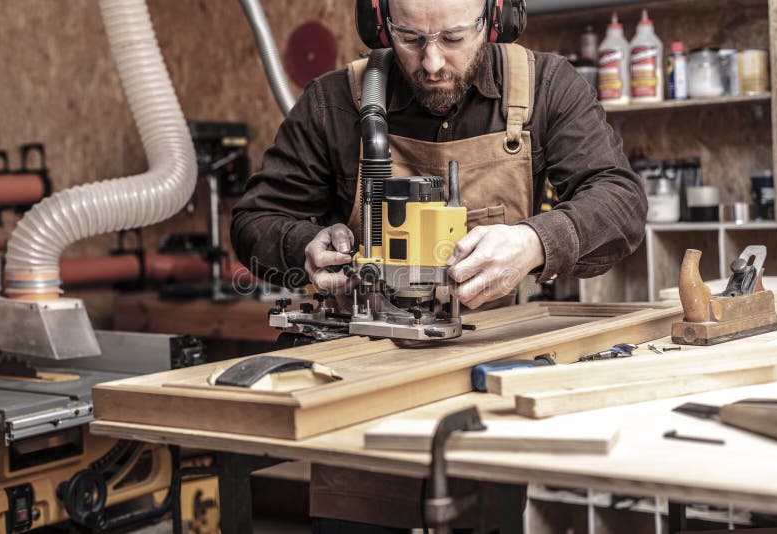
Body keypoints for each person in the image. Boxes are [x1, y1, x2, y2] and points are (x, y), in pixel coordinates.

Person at [231, 0, 646, 529]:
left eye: (452, 38)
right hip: (362, 389)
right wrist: (303, 244)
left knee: (483, 516)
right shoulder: (336, 101)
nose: (430, 62)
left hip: (484, 378)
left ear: (495, 20)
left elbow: (622, 202)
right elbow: (253, 220)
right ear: (379, 23)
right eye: (409, 38)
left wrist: (534, 242)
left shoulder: (544, 87)